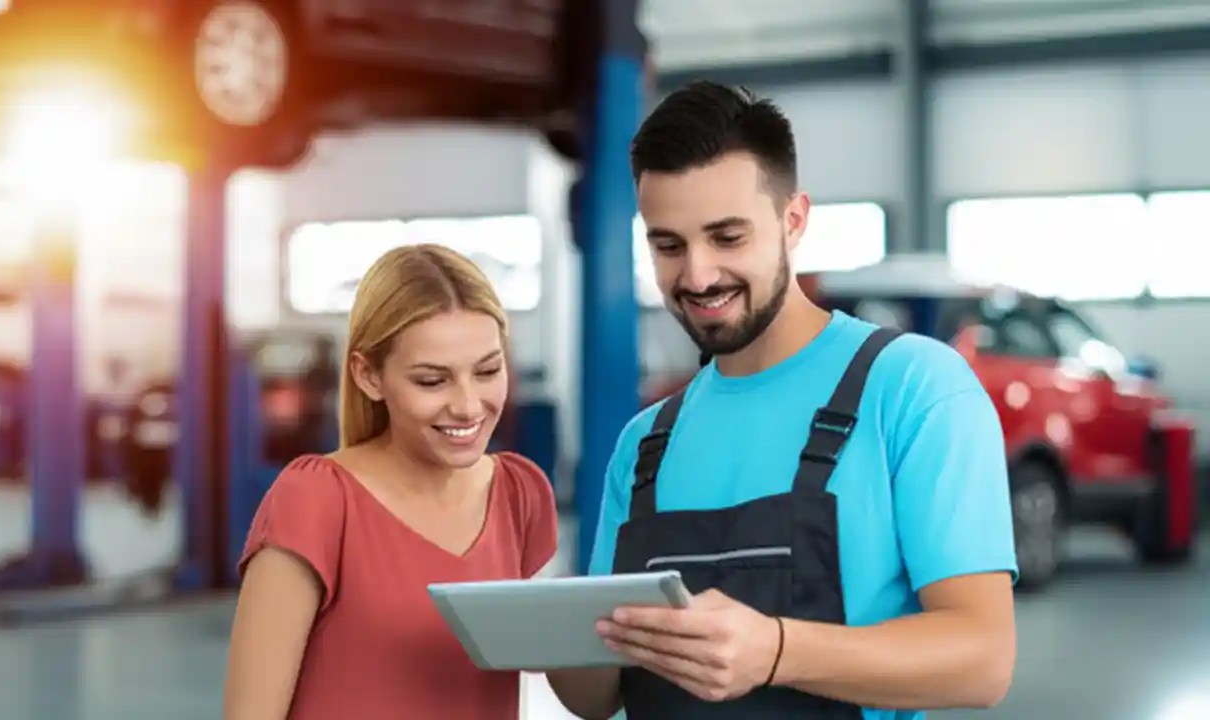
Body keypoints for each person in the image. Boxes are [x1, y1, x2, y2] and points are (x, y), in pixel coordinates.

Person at [548, 81, 1018, 719]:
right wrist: (547, 628)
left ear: (793, 220)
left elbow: (981, 659)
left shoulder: (912, 389)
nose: (698, 275)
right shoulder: (644, 444)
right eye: (668, 245)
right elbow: (594, 699)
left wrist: (774, 651)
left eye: (727, 237)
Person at [223, 244, 558, 720]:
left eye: (487, 371)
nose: (468, 405)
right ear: (368, 375)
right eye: (431, 381)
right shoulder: (316, 500)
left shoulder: (520, 494)